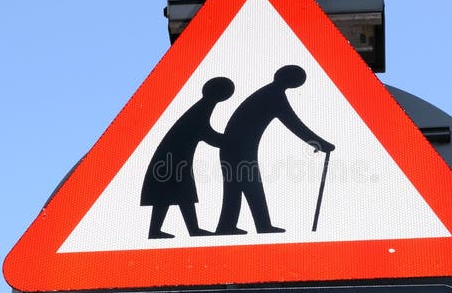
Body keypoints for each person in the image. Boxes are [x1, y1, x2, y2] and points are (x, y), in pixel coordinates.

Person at [215, 65, 334, 235]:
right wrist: (321, 145)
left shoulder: (269, 92)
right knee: (250, 186)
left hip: (235, 147)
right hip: (240, 148)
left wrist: (319, 144)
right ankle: (260, 225)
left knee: (237, 186)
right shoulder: (274, 96)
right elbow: (294, 124)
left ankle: (227, 226)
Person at [141, 77, 234, 238]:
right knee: (171, 194)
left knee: (177, 194)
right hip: (173, 159)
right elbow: (204, 131)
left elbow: (203, 131)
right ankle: (161, 231)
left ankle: (188, 230)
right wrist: (229, 141)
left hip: (175, 157)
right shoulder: (203, 107)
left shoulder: (202, 106)